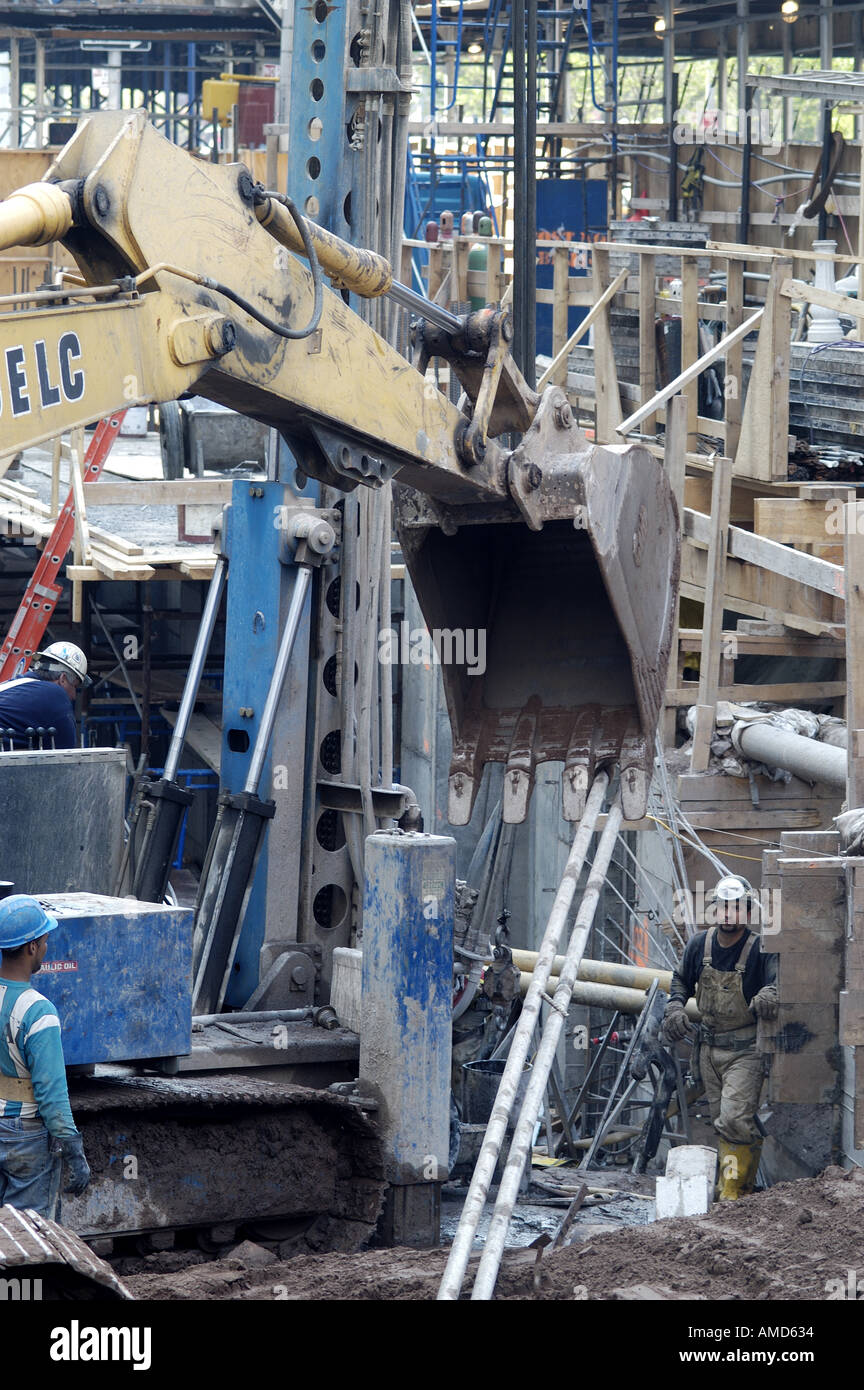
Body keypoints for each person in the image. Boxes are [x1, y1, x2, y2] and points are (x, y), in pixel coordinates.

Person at [662, 875, 778, 1200]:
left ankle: (731, 1194)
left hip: (746, 1051)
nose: (729, 914)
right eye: (724, 907)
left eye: (736, 908)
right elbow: (680, 980)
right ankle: (742, 1188)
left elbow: (777, 981)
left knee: (733, 1118)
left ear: (747, 911)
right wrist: (674, 1007)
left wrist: (770, 994)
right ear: (716, 909)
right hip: (708, 1049)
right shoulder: (700, 944)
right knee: (721, 1121)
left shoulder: (760, 949)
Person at [0, 894, 91, 1219]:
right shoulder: (38, 1011)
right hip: (25, 1136)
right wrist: (72, 1146)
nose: (46, 947)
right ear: (31, 948)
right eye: (45, 940)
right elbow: (51, 1092)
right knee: (30, 1233)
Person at [0, 641, 91, 750]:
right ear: (63, 679)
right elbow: (67, 757)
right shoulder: (56, 694)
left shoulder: (13, 685)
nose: (74, 695)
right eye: (75, 687)